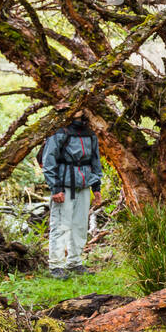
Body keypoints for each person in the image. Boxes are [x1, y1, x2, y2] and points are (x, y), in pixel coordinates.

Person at [41, 114, 103, 278]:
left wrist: (96, 187)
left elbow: (95, 162)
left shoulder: (90, 134)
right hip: (64, 187)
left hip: (83, 187)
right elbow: (49, 161)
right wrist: (55, 188)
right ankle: (56, 265)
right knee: (60, 225)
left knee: (80, 226)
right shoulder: (60, 133)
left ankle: (74, 262)